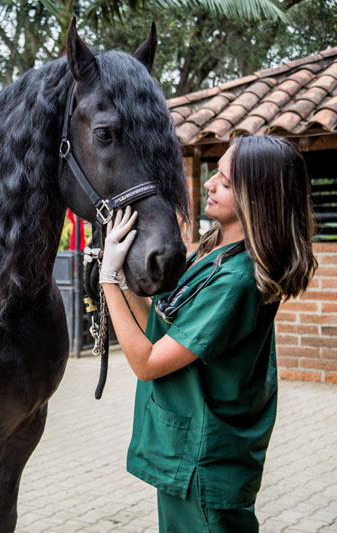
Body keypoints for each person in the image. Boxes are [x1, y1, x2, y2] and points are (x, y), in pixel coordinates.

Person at [96, 135, 317, 532]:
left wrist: (109, 280)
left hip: (204, 462)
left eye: (227, 182)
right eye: (216, 172)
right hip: (186, 454)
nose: (210, 183)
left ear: (258, 199)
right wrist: (126, 281)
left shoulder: (236, 282)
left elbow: (146, 362)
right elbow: (156, 328)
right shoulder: (213, 253)